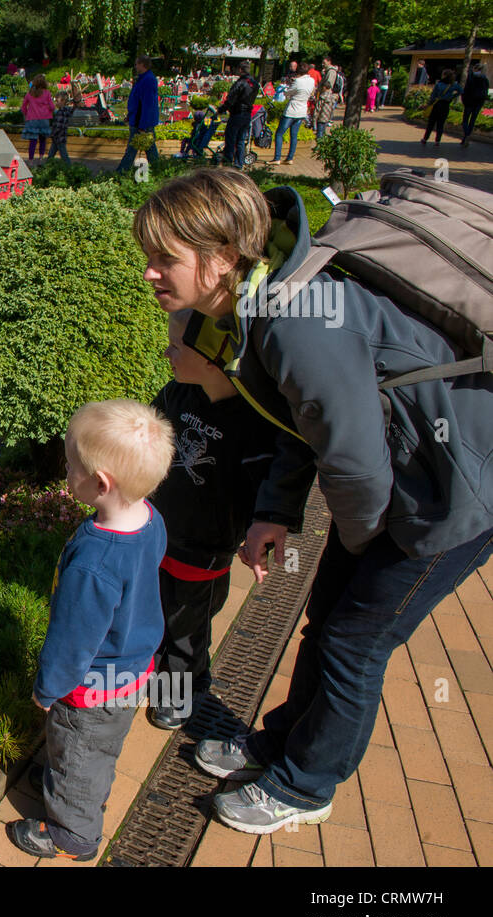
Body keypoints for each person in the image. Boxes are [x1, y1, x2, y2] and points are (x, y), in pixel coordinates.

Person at [133, 166, 493, 834]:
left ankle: (306, 786)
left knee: (354, 642)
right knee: (326, 623)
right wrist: (277, 510)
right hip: (416, 479)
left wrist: (360, 549)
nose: (149, 273)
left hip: (458, 494)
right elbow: (299, 422)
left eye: (163, 258)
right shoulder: (266, 297)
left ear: (219, 260)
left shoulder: (293, 319)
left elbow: (353, 461)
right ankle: (280, 746)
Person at [5, 399, 175, 860]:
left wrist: (49, 687)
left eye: (69, 465)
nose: (65, 470)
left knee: (75, 756)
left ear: (100, 483)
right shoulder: (150, 520)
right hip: (133, 664)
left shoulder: (95, 564)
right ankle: (90, 788)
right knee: (99, 748)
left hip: (92, 686)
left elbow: (73, 640)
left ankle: (71, 833)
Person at [144, 313, 304, 729]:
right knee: (159, 611)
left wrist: (258, 539)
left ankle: (180, 691)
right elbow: (147, 440)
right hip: (158, 534)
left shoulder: (253, 422)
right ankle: (171, 673)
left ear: (214, 360)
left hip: (204, 550)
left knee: (186, 628)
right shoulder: (178, 394)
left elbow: (262, 487)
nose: (166, 352)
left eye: (176, 346)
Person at [116, 56, 160, 173]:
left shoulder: (148, 80)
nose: (135, 66)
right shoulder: (143, 79)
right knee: (149, 150)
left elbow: (147, 104)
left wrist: (143, 125)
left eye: (137, 64)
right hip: (138, 119)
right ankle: (159, 170)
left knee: (132, 151)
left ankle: (121, 172)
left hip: (140, 122)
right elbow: (138, 101)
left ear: (142, 65)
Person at [218, 61, 259, 168]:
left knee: (230, 139)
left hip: (237, 113)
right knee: (241, 140)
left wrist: (221, 109)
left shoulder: (240, 83)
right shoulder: (254, 83)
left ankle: (227, 162)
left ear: (240, 70)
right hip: (247, 114)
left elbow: (231, 99)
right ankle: (239, 164)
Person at [272, 62, 314, 164]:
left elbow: (287, 93)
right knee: (294, 135)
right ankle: (290, 158)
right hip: (302, 109)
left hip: (292, 110)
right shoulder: (311, 80)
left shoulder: (298, 81)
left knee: (279, 133)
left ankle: (277, 158)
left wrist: (289, 86)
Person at [421, 70, 462, 146]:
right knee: (440, 124)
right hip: (445, 105)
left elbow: (433, 96)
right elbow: (461, 91)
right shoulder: (454, 85)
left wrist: (428, 104)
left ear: (445, 75)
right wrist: (451, 97)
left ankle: (425, 139)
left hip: (437, 104)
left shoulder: (439, 84)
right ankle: (437, 141)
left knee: (431, 123)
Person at [20, 75, 55, 160]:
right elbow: (52, 107)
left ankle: (31, 159)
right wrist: (49, 112)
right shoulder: (47, 93)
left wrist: (27, 114)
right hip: (44, 120)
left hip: (32, 120)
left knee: (33, 141)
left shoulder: (29, 94)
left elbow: (23, 107)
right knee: (42, 141)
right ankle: (41, 158)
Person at [459, 62, 489, 147]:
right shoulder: (485, 79)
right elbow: (485, 92)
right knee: (472, 120)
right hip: (478, 103)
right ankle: (466, 136)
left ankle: (466, 135)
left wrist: (464, 100)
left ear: (475, 69)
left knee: (465, 120)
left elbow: (466, 90)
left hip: (469, 102)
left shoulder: (471, 78)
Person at [313, 58, 340, 139]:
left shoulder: (331, 72)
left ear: (329, 62)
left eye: (324, 62)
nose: (322, 64)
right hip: (327, 97)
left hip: (326, 97)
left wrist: (321, 91)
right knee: (323, 123)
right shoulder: (328, 71)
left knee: (321, 122)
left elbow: (328, 84)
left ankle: (320, 141)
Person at [46, 90, 75, 163]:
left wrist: (51, 134)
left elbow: (58, 127)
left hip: (58, 138)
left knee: (64, 156)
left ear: (62, 101)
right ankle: (47, 166)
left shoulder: (60, 112)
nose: (55, 103)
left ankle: (70, 169)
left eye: (57, 101)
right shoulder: (66, 111)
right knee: (51, 154)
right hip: (60, 138)